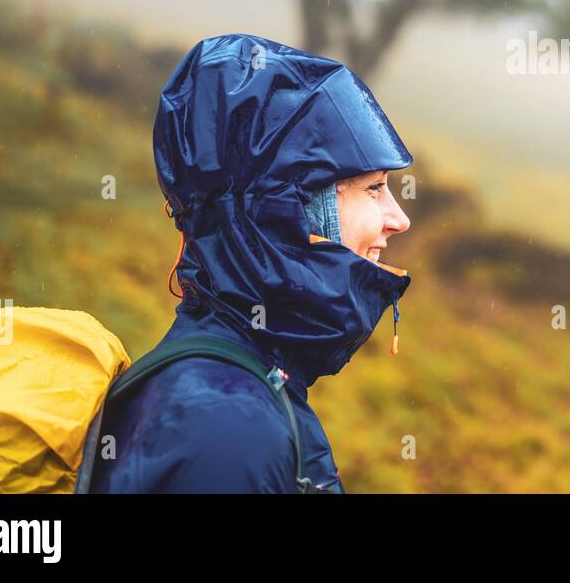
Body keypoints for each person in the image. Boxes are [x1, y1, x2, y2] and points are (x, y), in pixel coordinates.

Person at [88, 33, 413, 493]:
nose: (399, 219)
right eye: (374, 189)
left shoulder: (247, 384)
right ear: (285, 209)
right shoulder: (226, 429)